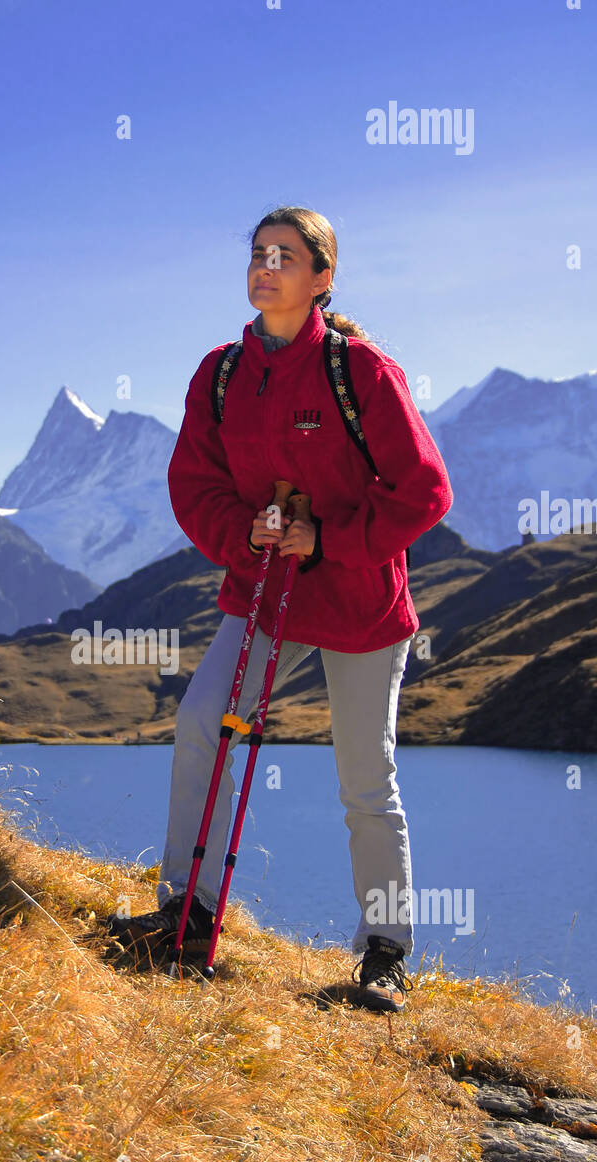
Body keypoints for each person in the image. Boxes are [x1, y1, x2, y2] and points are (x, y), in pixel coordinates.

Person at [108, 206, 453, 1012]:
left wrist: (325, 540)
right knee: (202, 723)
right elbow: (196, 486)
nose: (267, 267)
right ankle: (185, 915)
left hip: (360, 601)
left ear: (322, 278)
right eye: (259, 254)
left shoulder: (361, 372)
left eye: (286, 256)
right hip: (265, 593)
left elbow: (426, 492)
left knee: (366, 779)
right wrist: (249, 532)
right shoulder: (221, 375)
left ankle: (385, 950)